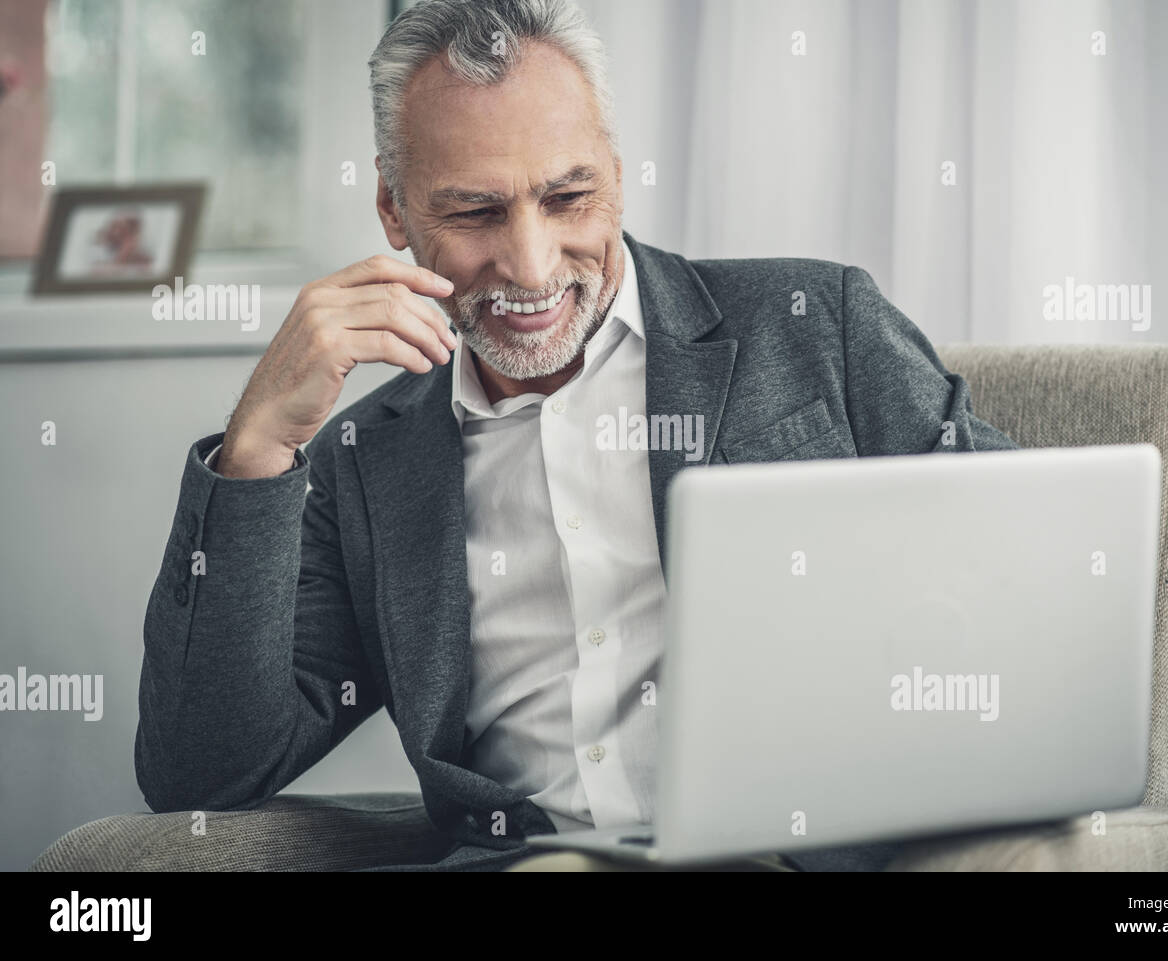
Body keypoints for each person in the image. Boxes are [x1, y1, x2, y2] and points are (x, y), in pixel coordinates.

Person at [135, 0, 1018, 872]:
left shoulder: (815, 325)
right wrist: (255, 447)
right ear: (394, 210)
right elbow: (206, 768)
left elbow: (1017, 577)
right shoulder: (367, 462)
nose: (530, 263)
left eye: (568, 197)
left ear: (618, 175)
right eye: (475, 213)